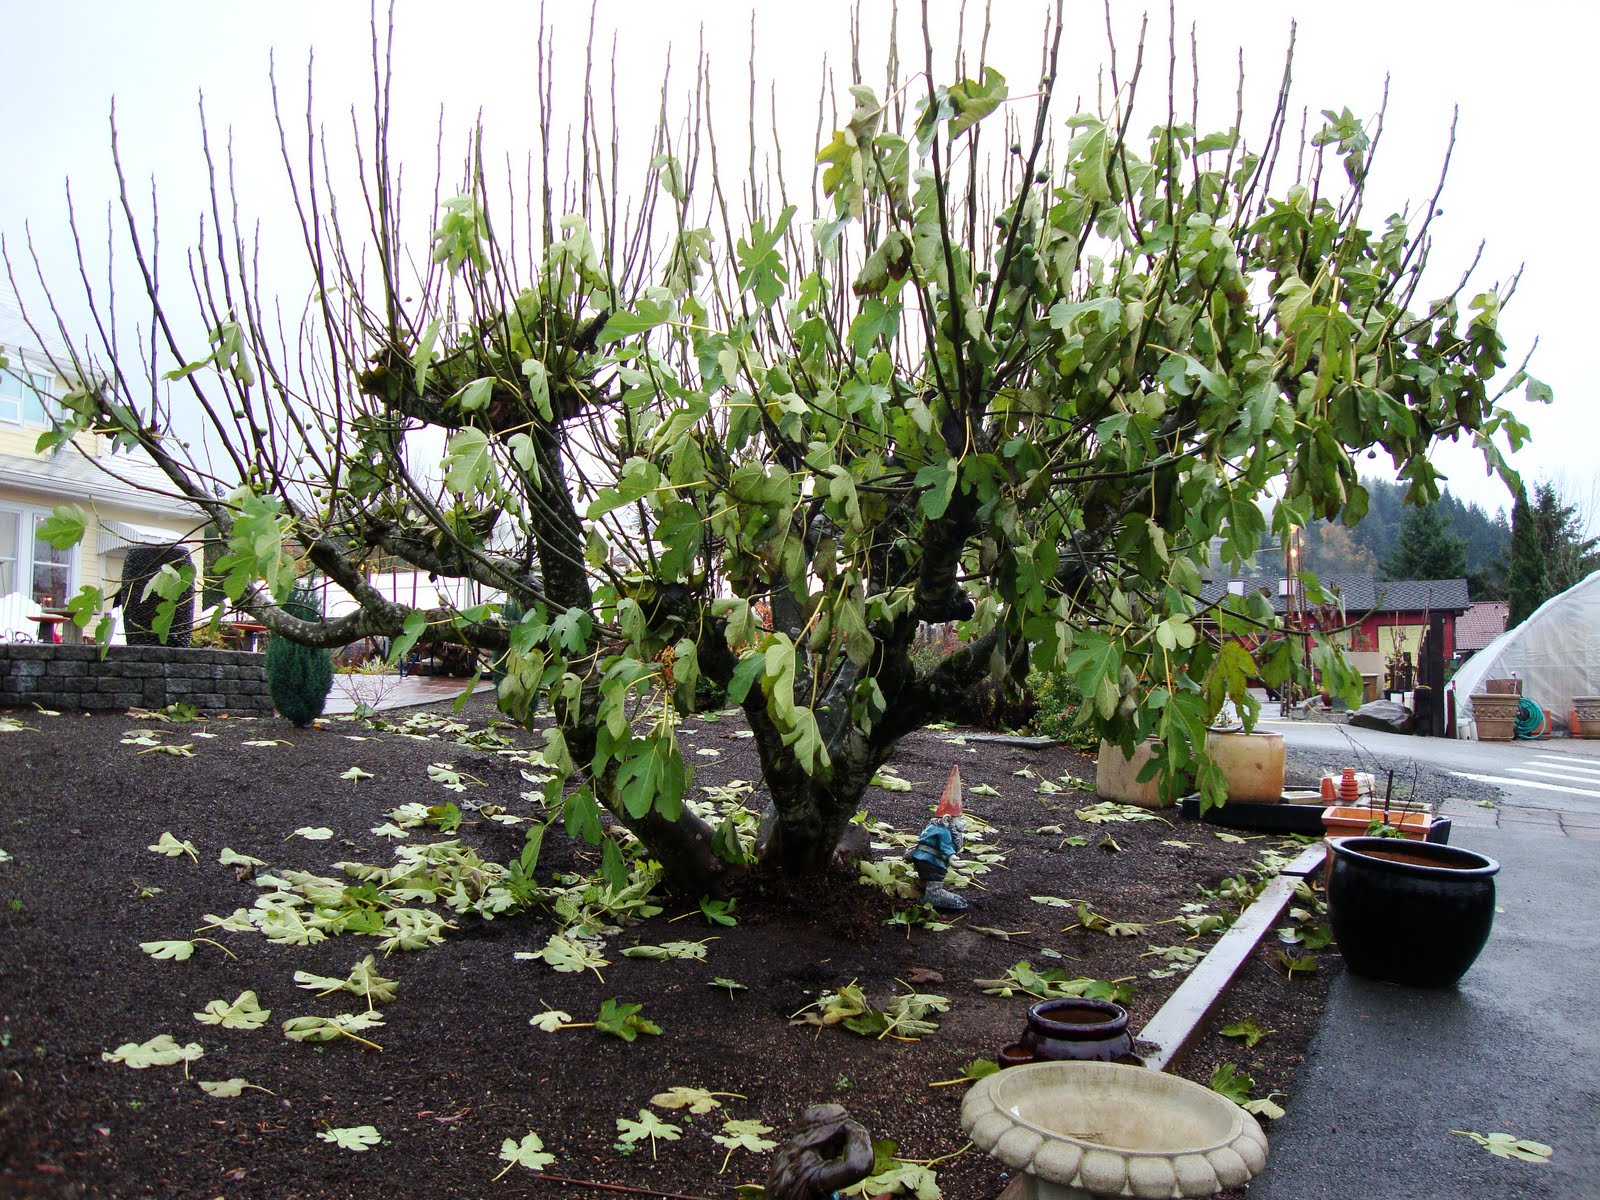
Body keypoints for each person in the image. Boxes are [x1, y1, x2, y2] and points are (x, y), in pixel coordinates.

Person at [907, 766, 969, 911]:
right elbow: (945, 846)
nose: (963, 822)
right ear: (948, 819)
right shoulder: (944, 832)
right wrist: (951, 858)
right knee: (935, 875)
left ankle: (924, 886)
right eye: (959, 819)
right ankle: (934, 894)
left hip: (921, 857)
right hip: (931, 860)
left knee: (927, 875)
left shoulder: (932, 827)